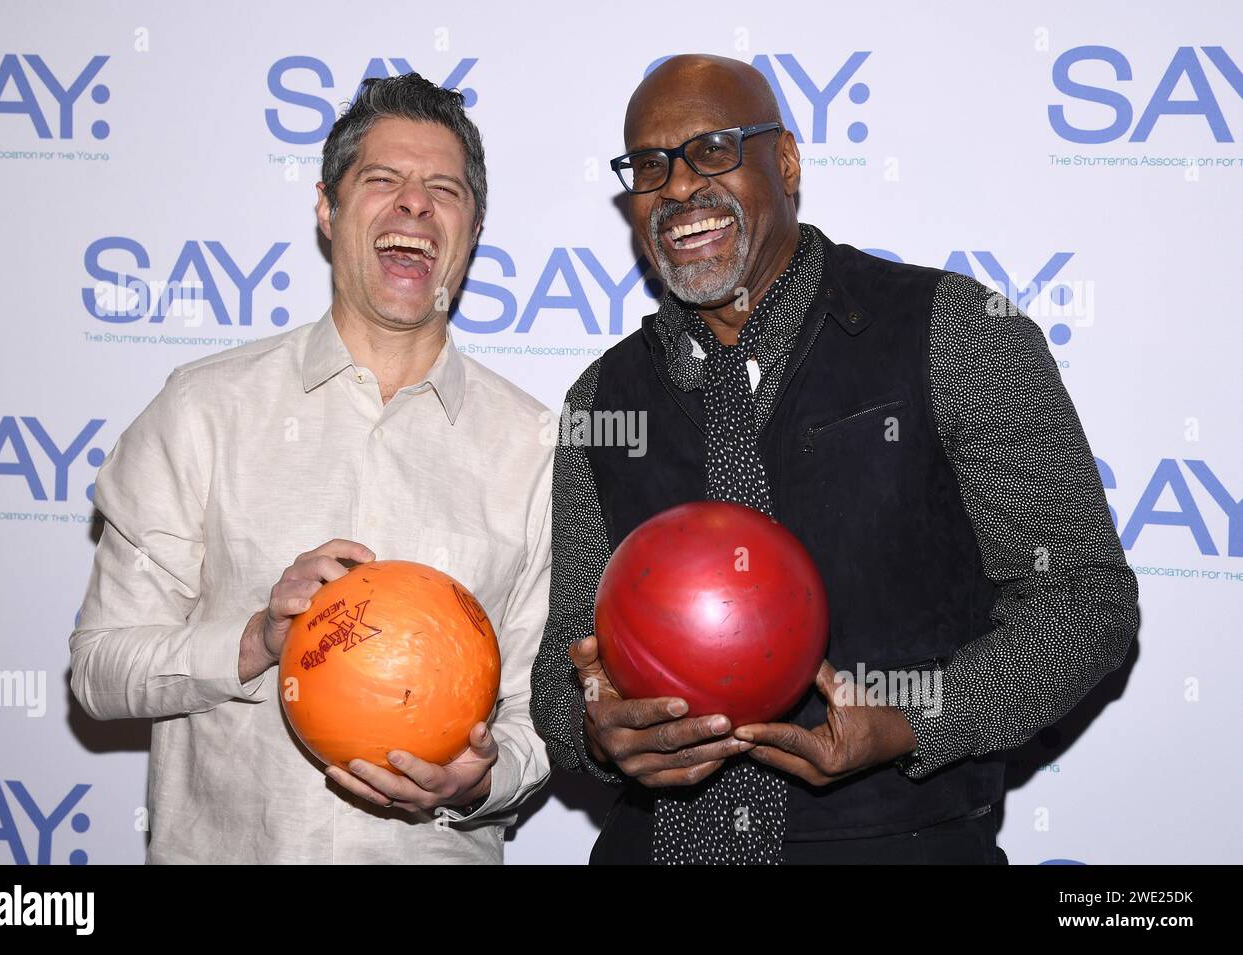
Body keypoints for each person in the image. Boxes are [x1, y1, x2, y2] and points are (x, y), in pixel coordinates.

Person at [530, 54, 1139, 865]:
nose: (676, 188)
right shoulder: (601, 401)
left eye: (712, 148)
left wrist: (912, 721)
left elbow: (1083, 599)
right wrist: (592, 725)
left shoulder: (954, 332)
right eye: (650, 166)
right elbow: (563, 657)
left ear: (785, 160)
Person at [71, 73, 553, 864]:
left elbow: (543, 715)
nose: (413, 205)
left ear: (469, 231)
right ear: (328, 211)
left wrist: (477, 781)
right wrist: (257, 638)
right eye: (382, 181)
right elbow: (99, 669)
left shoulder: (535, 446)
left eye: (443, 189)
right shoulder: (202, 409)